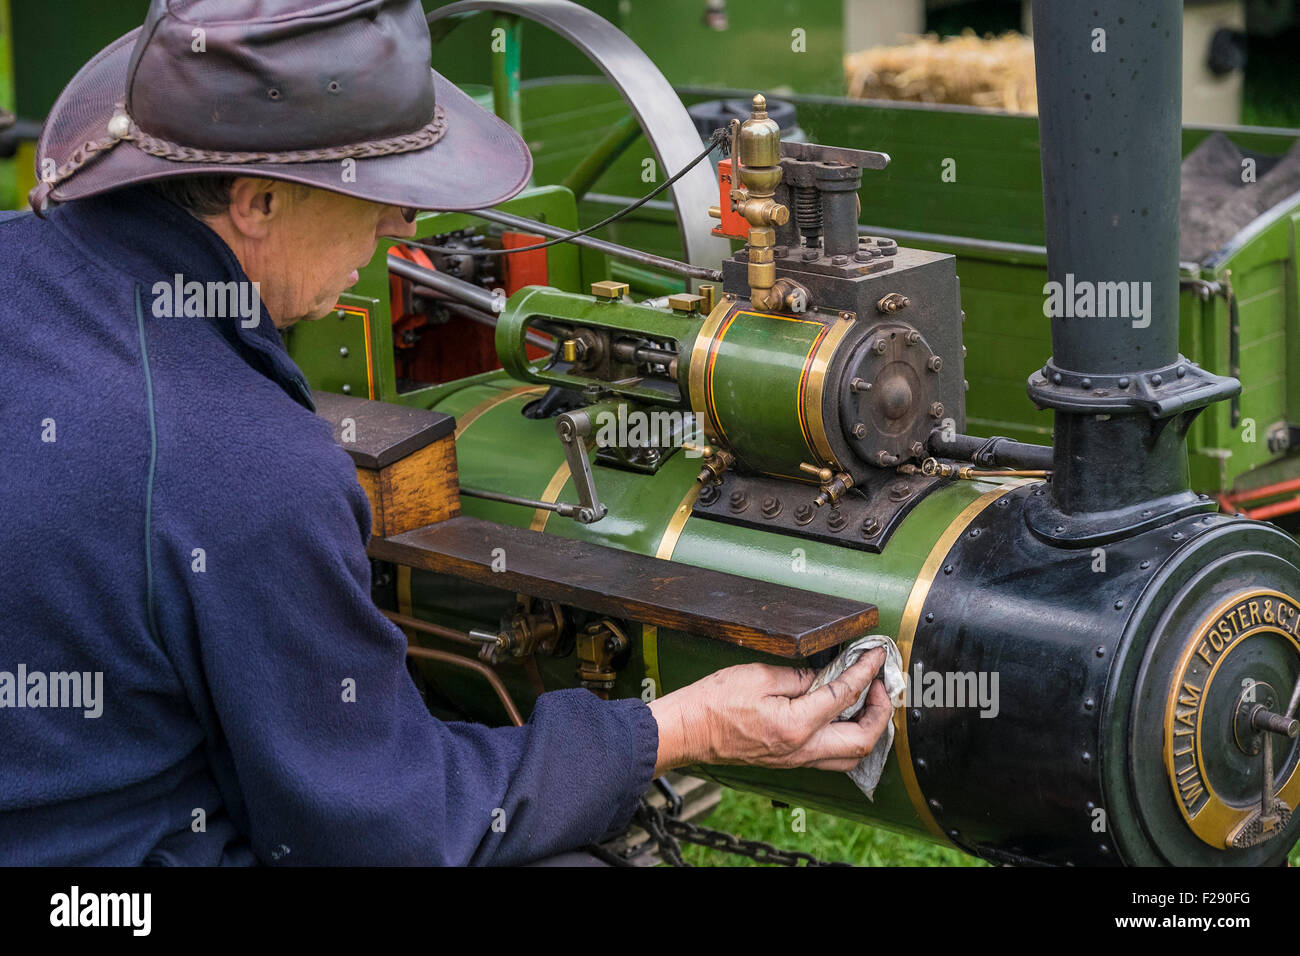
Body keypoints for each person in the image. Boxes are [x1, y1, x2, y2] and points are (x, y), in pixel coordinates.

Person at [0, 0, 892, 865]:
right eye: (375, 189)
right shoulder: (249, 468)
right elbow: (391, 825)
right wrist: (685, 726)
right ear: (256, 202)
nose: (405, 223)